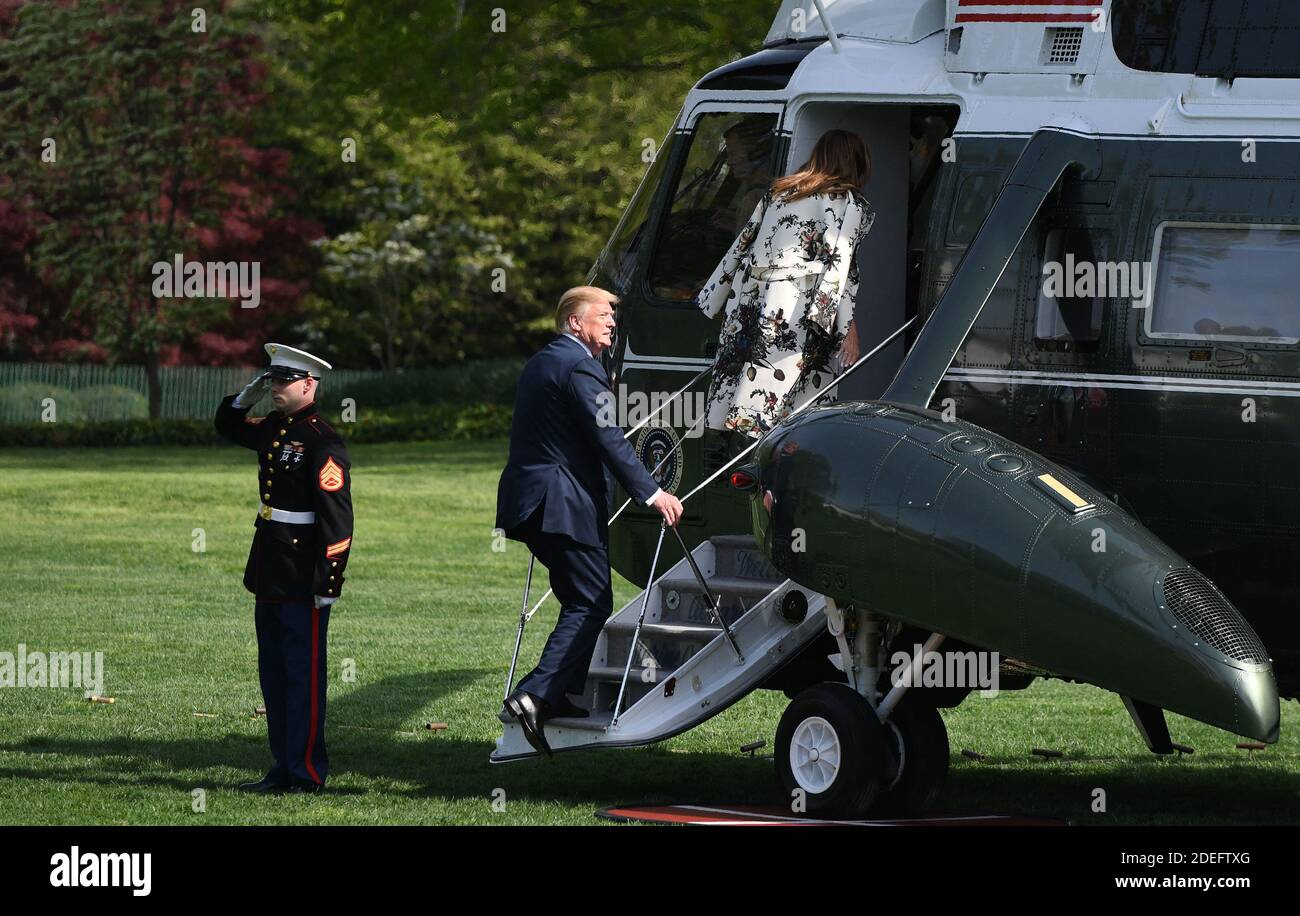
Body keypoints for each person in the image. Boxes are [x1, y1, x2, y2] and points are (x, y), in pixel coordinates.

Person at [496, 286, 684, 756]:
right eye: (603, 315)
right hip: (562, 505)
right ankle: (534, 695)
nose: (612, 323)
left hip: (534, 503)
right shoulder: (580, 365)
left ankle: (556, 698)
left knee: (579, 598)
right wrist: (653, 491)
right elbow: (609, 438)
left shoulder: (544, 360)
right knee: (591, 601)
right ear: (575, 322)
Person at [214, 343, 353, 794]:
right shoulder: (274, 427)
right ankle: (282, 766)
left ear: (309, 385)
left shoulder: (323, 439)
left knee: (303, 676)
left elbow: (337, 517)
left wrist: (329, 579)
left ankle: (307, 771)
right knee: (273, 674)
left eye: (284, 381)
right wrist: (245, 395)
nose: (276, 387)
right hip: (271, 565)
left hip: (303, 573)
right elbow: (227, 427)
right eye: (272, 379)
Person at [695, 129, 875, 451]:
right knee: (798, 408)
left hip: (752, 302)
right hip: (797, 309)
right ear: (855, 164)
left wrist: (715, 297)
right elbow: (842, 268)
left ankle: (752, 463)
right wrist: (847, 329)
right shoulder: (848, 204)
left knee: (752, 399)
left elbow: (742, 245)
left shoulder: (779, 193)